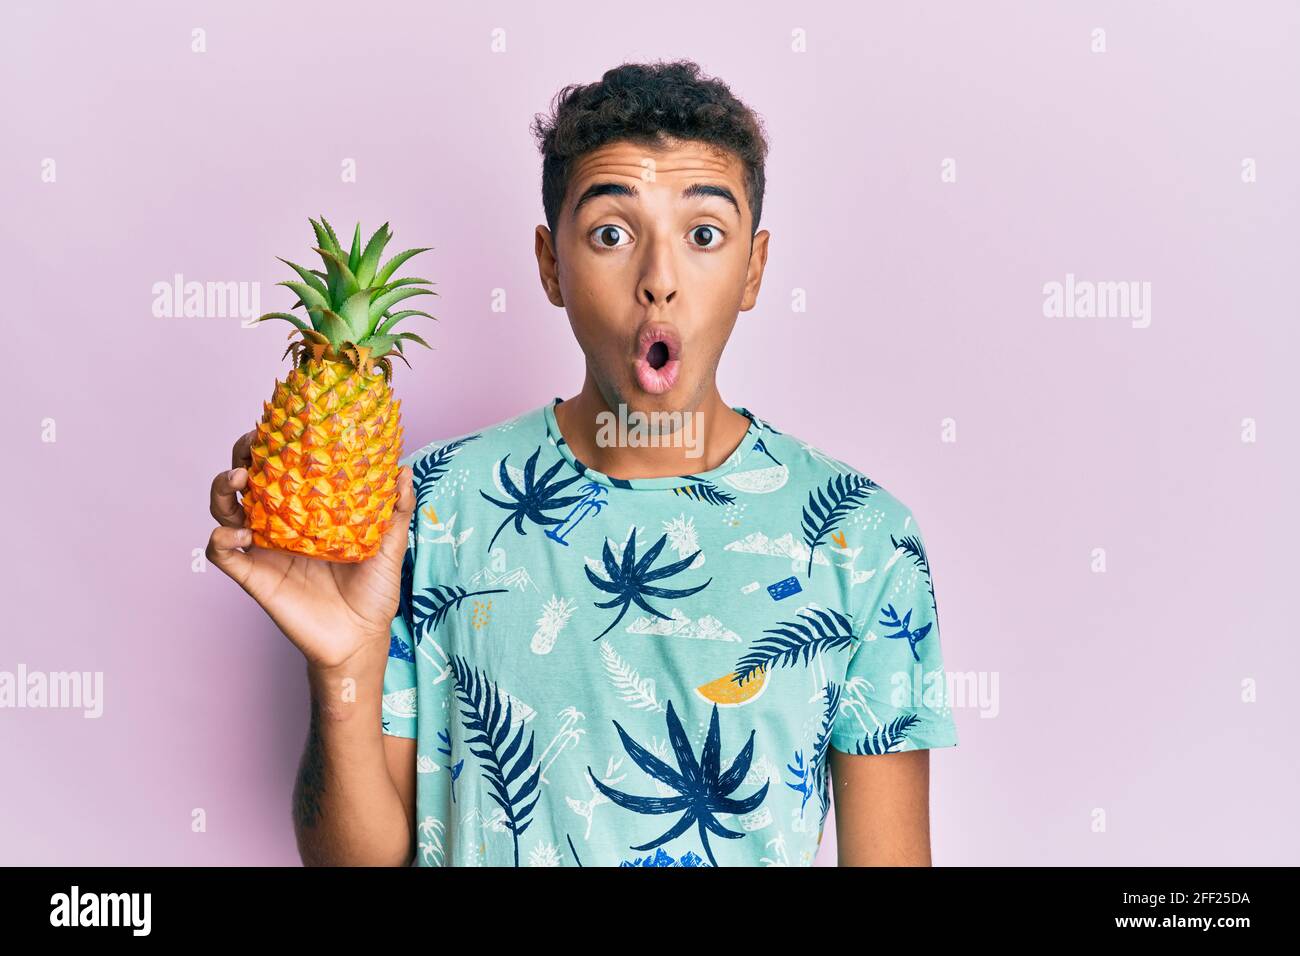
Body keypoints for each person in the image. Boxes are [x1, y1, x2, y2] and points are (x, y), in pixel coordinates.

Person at [207, 59, 958, 868]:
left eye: (704, 235)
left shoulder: (863, 540)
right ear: (549, 264)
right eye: (611, 234)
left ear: (754, 268)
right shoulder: (422, 508)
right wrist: (341, 666)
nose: (658, 282)